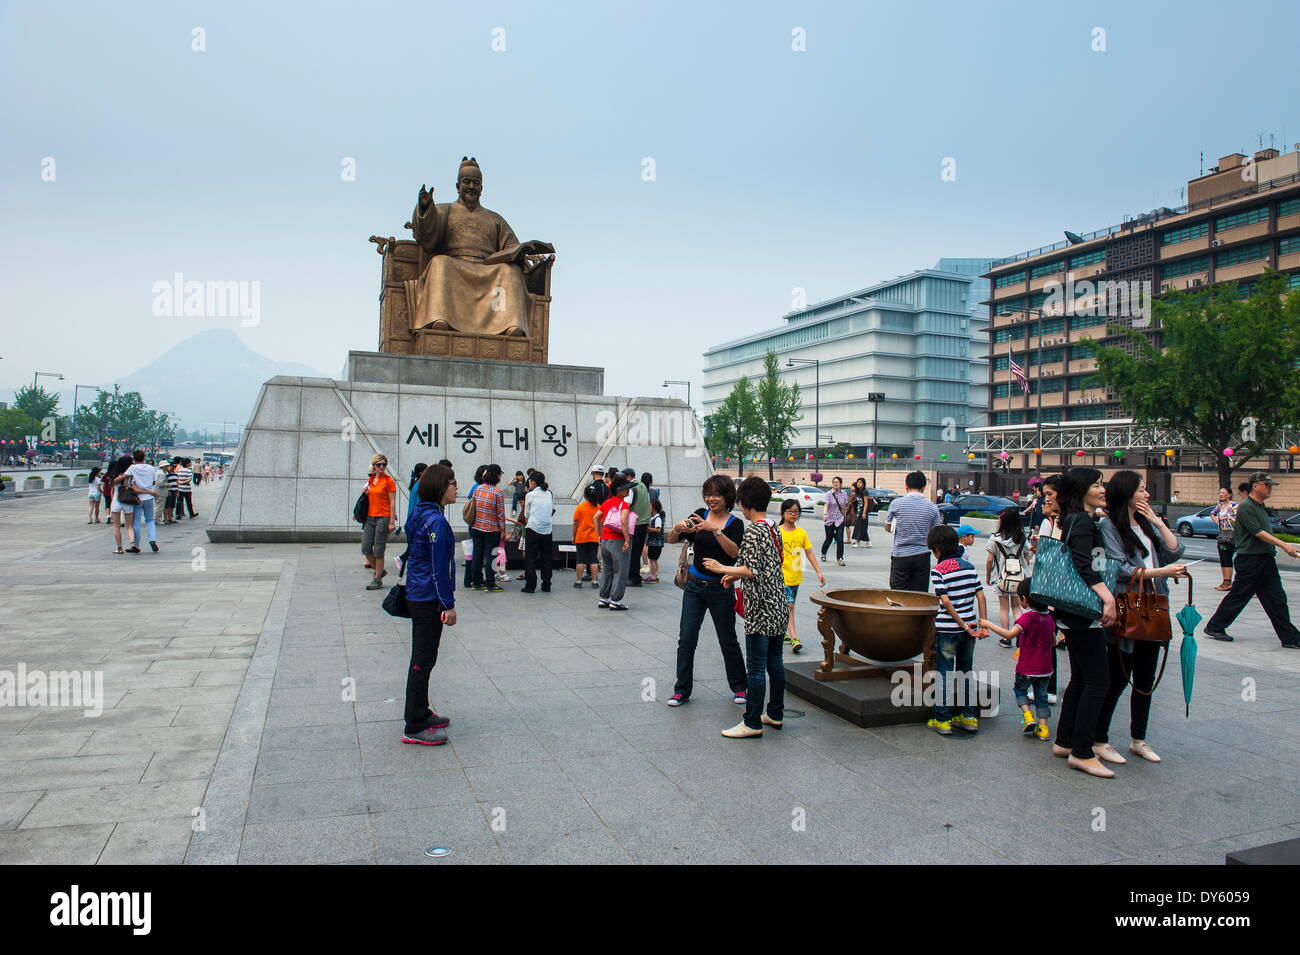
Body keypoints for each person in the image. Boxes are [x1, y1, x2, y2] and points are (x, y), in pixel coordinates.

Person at [1096, 470, 1187, 765]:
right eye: (1142, 489)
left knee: (1146, 679)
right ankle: (1100, 739)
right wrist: (1159, 573)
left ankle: (1138, 739)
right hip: (1127, 606)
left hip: (1154, 606)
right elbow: (1118, 567)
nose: (1147, 494)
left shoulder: (1147, 525)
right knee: (1119, 678)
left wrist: (1159, 523)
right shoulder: (1109, 525)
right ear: (1127, 493)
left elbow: (1174, 552)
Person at [705, 477, 788, 738]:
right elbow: (763, 565)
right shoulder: (773, 526)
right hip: (777, 604)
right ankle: (775, 713)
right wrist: (733, 575)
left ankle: (751, 722)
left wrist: (722, 569)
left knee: (755, 669)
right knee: (775, 663)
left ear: (745, 503)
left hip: (761, 608)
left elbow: (750, 569)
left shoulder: (754, 529)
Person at [1050, 468, 1119, 778]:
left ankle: (1065, 741)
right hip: (1082, 612)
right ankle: (1082, 751)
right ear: (1081, 491)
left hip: (1072, 613)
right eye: (1096, 485)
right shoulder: (1080, 521)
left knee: (1080, 678)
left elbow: (1096, 560)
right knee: (1098, 682)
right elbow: (1083, 562)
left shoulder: (1082, 520)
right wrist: (1107, 597)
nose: (1102, 489)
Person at [665, 474, 747, 707]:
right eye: (708, 494)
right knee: (686, 639)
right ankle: (681, 690)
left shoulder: (735, 523)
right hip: (693, 587)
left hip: (720, 588)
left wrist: (715, 530)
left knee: (728, 639)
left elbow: (734, 553)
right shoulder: (698, 514)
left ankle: (740, 687)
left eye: (716, 495)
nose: (711, 499)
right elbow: (671, 539)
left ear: (727, 497)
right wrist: (677, 527)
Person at [1204, 472, 1300, 648]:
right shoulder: (1247, 506)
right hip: (1251, 560)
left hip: (1264, 560)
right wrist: (1285, 545)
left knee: (1276, 599)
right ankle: (1214, 626)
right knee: (1239, 596)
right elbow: (1258, 533)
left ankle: (1290, 638)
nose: (1270, 488)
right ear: (1255, 486)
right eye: (1267, 485)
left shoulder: (1259, 506)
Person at [401, 463, 458, 746]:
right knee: (422, 661)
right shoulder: (436, 521)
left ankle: (422, 711)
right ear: (440, 487)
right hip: (427, 598)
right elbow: (439, 568)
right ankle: (414, 724)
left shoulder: (419, 514)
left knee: (425, 658)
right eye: (452, 482)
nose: (456, 488)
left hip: (417, 593)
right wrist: (447, 604)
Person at [926, 524, 988, 736]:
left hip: (948, 629)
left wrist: (960, 624)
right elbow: (980, 595)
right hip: (970, 628)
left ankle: (942, 719)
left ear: (937, 550)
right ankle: (969, 717)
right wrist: (982, 623)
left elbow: (945, 600)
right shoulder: (968, 567)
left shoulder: (938, 570)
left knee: (944, 672)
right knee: (965, 670)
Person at [981, 580, 1055, 740]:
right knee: (1041, 697)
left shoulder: (1026, 619)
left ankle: (1028, 716)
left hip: (1027, 667)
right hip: (1045, 669)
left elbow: (1008, 635)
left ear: (1024, 599)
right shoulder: (1049, 620)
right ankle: (1043, 728)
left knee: (1020, 690)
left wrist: (988, 624)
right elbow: (1053, 642)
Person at [778, 498, 825, 654]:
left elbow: (809, 552)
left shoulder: (801, 533)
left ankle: (782, 630)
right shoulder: (777, 532)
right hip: (781, 576)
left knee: (786, 606)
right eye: (790, 511)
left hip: (795, 576)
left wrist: (819, 571)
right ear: (783, 513)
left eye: (796, 512)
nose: (793, 514)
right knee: (790, 606)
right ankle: (795, 638)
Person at [884, 470, 942, 591]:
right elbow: (935, 533)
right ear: (924, 487)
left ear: (906, 486)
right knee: (919, 595)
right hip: (922, 555)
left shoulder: (896, 504)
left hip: (901, 554)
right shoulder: (933, 507)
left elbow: (887, 526)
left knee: (898, 593)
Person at [986, 508, 1028, 647]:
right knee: (1016, 606)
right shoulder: (1022, 538)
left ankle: (1006, 638)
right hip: (1019, 578)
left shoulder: (995, 538)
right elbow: (1027, 558)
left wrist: (988, 576)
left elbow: (989, 560)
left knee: (1004, 607)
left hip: (1001, 578)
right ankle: (1021, 635)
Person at [596, 475, 634, 610]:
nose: (628, 491)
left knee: (607, 570)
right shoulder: (624, 504)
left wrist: (599, 535)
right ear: (620, 490)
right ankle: (615, 601)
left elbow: (596, 517)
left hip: (605, 540)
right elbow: (624, 521)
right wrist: (627, 539)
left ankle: (604, 598)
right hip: (618, 540)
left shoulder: (606, 503)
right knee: (620, 570)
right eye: (626, 488)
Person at [362, 453, 398, 590]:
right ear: (374, 466)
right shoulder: (371, 480)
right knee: (365, 548)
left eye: (384, 464)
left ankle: (377, 579)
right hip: (370, 517)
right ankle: (380, 571)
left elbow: (392, 501)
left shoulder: (389, 481)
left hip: (383, 517)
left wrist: (392, 521)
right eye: (379, 465)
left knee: (378, 550)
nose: (382, 467)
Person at [469, 464, 506, 592]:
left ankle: (476, 582)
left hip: (476, 527)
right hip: (492, 529)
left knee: (477, 555)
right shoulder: (498, 492)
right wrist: (503, 530)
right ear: (496, 475)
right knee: (492, 555)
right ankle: (490, 584)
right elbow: (500, 514)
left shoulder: (478, 488)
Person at [518, 470, 554, 593]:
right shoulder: (549, 494)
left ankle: (530, 585)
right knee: (546, 558)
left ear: (532, 482)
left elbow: (526, 514)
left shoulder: (530, 495)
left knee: (531, 559)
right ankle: (546, 584)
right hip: (547, 530)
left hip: (533, 529)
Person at [621, 468, 651, 587]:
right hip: (644, 522)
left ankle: (633, 577)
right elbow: (648, 504)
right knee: (637, 550)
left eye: (623, 476)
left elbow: (626, 505)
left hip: (635, 523)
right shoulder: (643, 485)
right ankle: (635, 576)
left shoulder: (631, 488)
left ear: (628, 477)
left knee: (632, 551)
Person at [127, 449, 160, 553]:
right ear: (144, 457)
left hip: (137, 498)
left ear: (133, 459)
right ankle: (152, 540)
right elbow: (154, 481)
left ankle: (136, 545)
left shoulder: (132, 468)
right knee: (150, 520)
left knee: (136, 522)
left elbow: (126, 477)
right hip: (149, 498)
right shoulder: (151, 468)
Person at [571, 483, 602, 588]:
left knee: (580, 559)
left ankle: (579, 581)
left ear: (585, 496)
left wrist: (573, 536)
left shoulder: (580, 507)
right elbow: (601, 524)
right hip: (594, 537)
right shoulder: (599, 508)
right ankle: (595, 581)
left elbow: (575, 523)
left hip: (581, 537)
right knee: (593, 559)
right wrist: (600, 536)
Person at [106, 455, 137, 554]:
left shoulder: (114, 474)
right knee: (129, 525)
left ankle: (119, 548)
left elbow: (111, 486)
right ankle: (132, 543)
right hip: (128, 500)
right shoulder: (131, 474)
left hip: (116, 500)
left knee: (116, 526)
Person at [1210, 487, 1238, 592]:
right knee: (1223, 556)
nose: (1220, 495)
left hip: (1232, 533)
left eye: (1223, 493)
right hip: (1223, 533)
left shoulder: (1234, 506)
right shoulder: (1220, 506)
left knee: (1228, 556)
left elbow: (1239, 519)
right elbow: (1212, 514)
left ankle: (1228, 581)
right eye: (1219, 493)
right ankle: (1226, 581)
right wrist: (1217, 521)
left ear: (1229, 494)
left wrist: (1230, 520)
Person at [821, 476, 849, 566]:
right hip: (829, 519)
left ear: (840, 484)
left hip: (840, 519)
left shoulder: (844, 494)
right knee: (829, 539)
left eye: (837, 482)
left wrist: (845, 515)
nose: (835, 484)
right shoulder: (829, 494)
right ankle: (823, 553)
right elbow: (826, 505)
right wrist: (825, 514)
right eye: (834, 482)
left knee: (840, 538)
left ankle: (840, 558)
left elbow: (845, 505)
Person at [645, 497, 665, 583]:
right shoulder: (654, 518)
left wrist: (649, 529)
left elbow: (658, 529)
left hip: (655, 543)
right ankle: (655, 574)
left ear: (653, 508)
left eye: (649, 506)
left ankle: (653, 576)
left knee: (652, 560)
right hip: (655, 543)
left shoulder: (657, 518)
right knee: (654, 559)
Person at [849, 478, 872, 548]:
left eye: (860, 482)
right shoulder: (858, 491)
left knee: (859, 527)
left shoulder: (864, 491)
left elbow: (866, 503)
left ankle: (857, 542)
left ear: (863, 484)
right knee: (862, 527)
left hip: (862, 511)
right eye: (858, 482)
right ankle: (868, 542)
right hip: (858, 511)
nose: (858, 483)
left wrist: (864, 513)